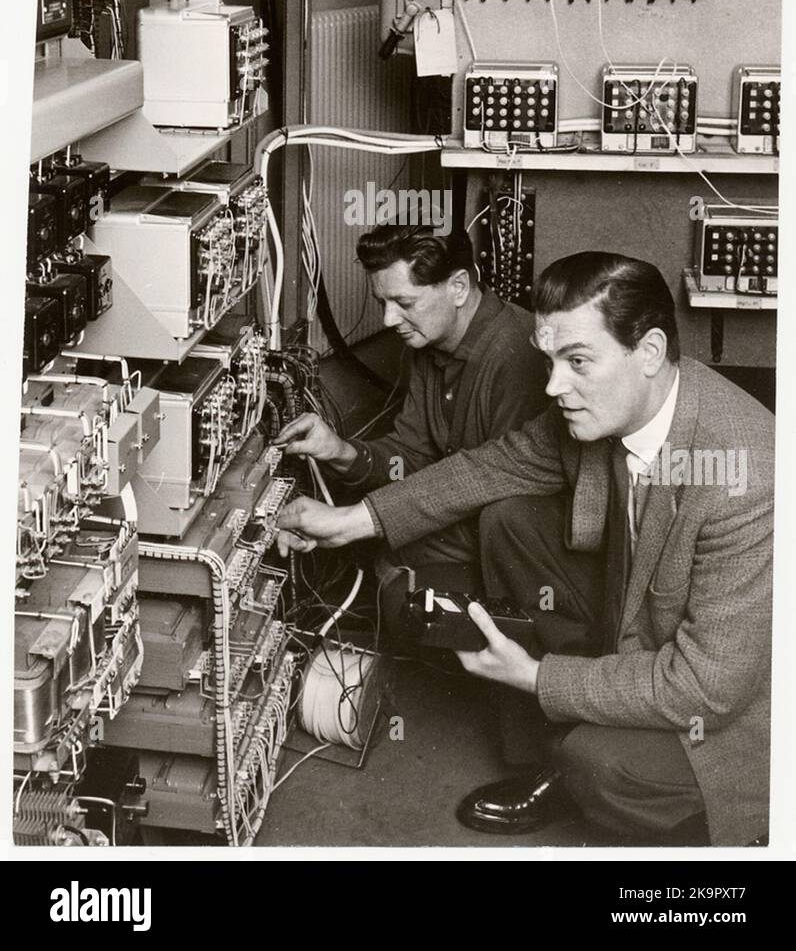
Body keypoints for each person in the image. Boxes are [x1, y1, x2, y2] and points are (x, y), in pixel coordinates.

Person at [277, 251, 774, 847]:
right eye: (550, 361)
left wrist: (537, 677)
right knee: (510, 519)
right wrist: (352, 521)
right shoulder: (601, 411)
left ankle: (588, 771)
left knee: (602, 764)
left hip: (730, 708)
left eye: (578, 362)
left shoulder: (745, 475)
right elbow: (490, 468)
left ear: (649, 352)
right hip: (643, 626)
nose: (554, 386)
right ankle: (549, 751)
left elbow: (706, 690)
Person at [274, 222, 548, 506]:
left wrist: (357, 523)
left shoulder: (518, 354)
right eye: (382, 303)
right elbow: (410, 460)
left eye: (404, 303)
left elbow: (499, 493)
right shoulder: (429, 343)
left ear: (459, 288)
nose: (388, 320)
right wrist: (344, 453)